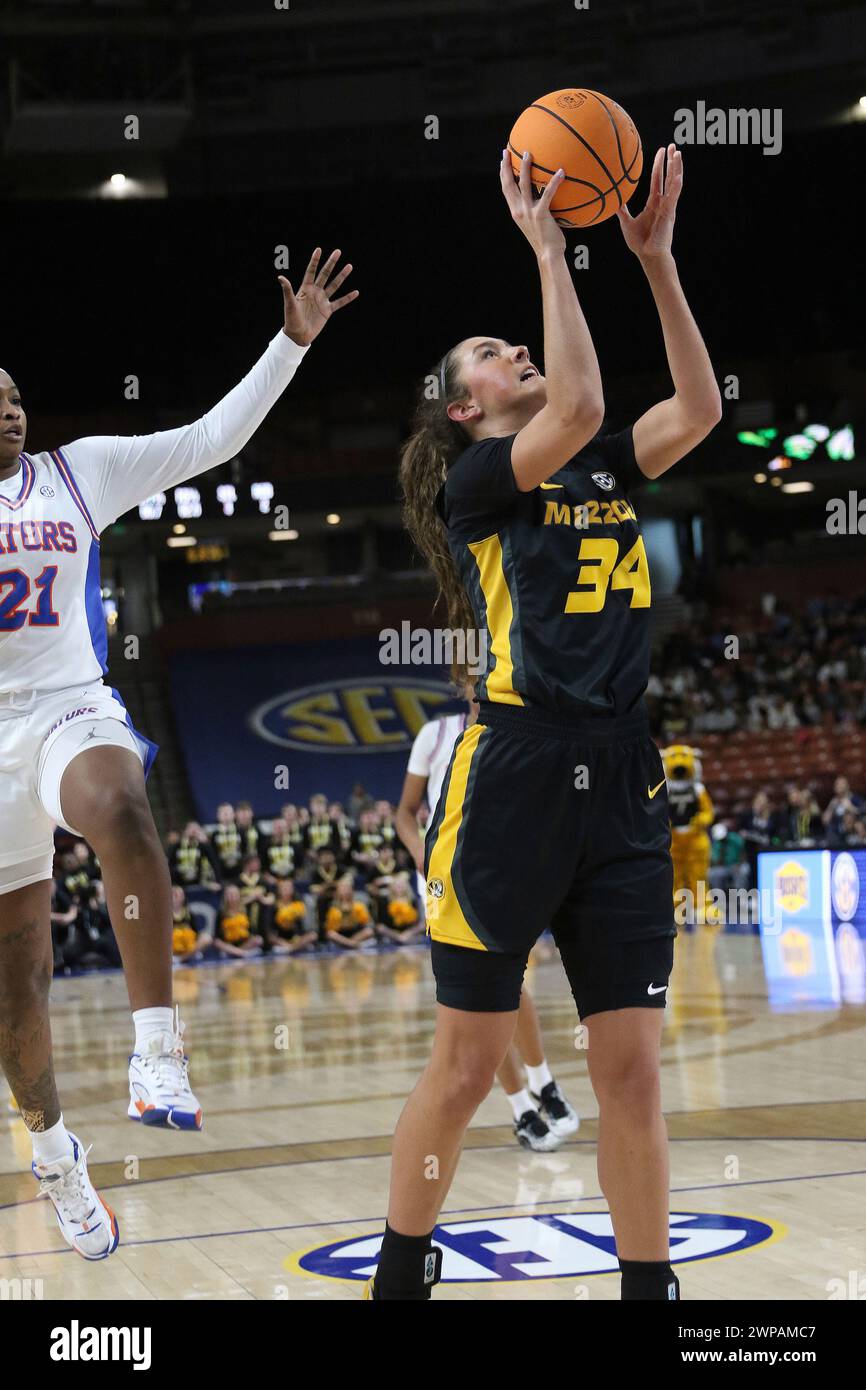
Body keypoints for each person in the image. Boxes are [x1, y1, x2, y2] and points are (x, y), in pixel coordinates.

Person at [368, 142, 720, 1301]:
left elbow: (701, 407)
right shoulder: (481, 486)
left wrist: (656, 265)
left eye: (513, 334)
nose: (515, 347)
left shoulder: (605, 470)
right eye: (491, 353)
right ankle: (400, 1278)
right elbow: (574, 399)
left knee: (630, 1074)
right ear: (466, 407)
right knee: (471, 1063)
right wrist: (548, 252)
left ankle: (646, 1293)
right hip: (513, 775)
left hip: (620, 776)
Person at [0, 245, 357, 1258]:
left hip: (67, 708)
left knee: (120, 807)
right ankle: (55, 1155)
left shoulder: (80, 472)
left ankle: (156, 1054)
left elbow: (207, 438)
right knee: (15, 981)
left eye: (17, 394)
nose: (12, 408)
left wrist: (290, 345)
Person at [397, 683, 579, 1150]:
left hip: (506, 870)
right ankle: (523, 1106)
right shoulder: (436, 736)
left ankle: (542, 1082)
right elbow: (404, 814)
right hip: (446, 877)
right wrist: (423, 854)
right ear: (462, 681)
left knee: (514, 987)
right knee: (481, 997)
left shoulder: (524, 728)